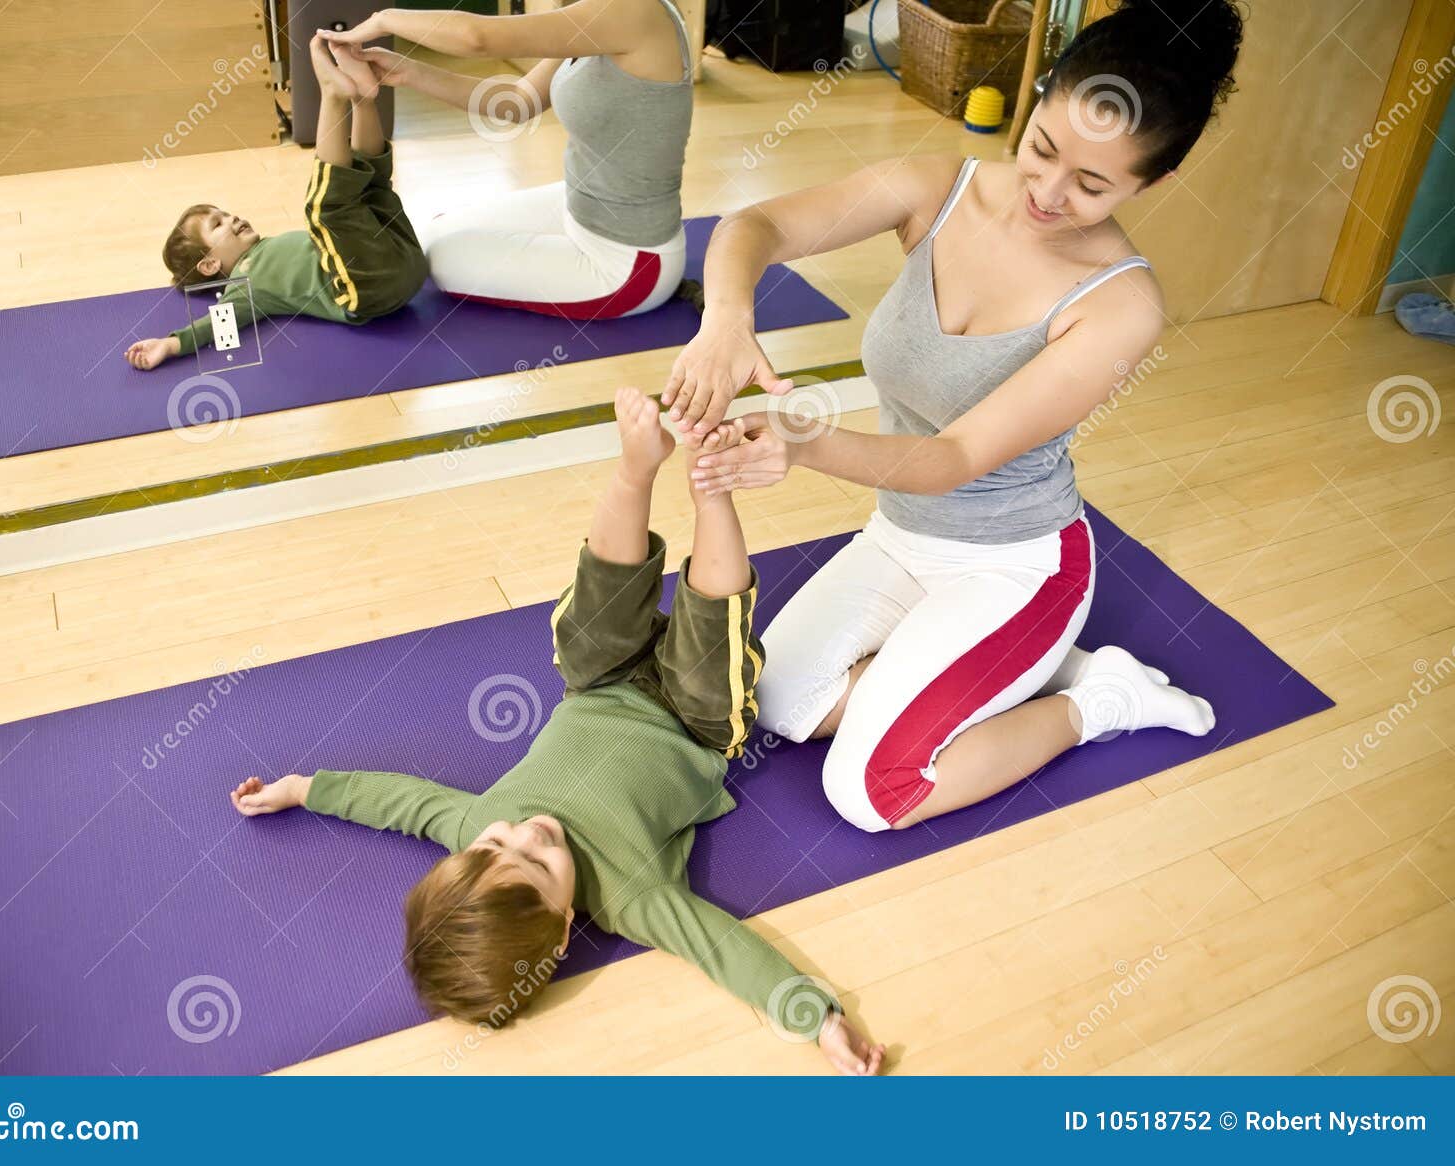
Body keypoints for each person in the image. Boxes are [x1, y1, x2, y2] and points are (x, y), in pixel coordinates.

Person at [661, 0, 1244, 831]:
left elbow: (957, 456)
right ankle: (1009, 669)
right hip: (900, 534)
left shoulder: (1122, 306)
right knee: (764, 702)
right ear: (1035, 100)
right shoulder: (936, 189)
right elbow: (757, 225)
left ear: (1154, 183)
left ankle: (1098, 698)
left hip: (1013, 564)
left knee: (872, 792)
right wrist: (727, 316)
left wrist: (802, 442)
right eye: (1043, 148)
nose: (1045, 192)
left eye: (1092, 184)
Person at [227, 387, 885, 1075]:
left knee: (583, 636)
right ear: (569, 925)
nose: (529, 831)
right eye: (541, 863)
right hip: (696, 723)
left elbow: (401, 804)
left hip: (601, 684)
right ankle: (711, 489)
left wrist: (304, 789)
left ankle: (636, 469)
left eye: (498, 840)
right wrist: (818, 1020)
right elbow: (717, 947)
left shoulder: (478, 827)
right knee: (707, 659)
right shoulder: (630, 897)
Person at [319, 0, 694, 319]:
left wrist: (383, 19)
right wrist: (407, 72)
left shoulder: (635, 11)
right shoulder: (594, 11)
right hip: (575, 206)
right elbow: (516, 101)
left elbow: (477, 38)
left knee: (441, 260)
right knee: (436, 232)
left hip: (626, 263)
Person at [125, 35, 428, 371]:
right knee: (324, 208)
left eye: (224, 213)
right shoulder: (244, 285)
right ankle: (332, 94)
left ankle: (364, 99)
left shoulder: (265, 250)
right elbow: (220, 325)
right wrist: (170, 344)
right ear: (210, 266)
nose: (231, 218)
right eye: (218, 225)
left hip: (405, 262)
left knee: (371, 190)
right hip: (367, 288)